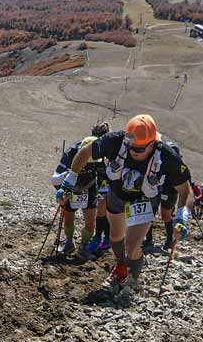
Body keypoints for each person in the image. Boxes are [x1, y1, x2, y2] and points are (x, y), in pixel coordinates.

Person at [59, 114, 191, 302]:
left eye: (141, 148)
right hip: (118, 194)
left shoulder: (167, 156)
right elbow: (85, 151)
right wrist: (69, 181)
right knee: (115, 238)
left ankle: (133, 275)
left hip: (144, 199)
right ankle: (121, 266)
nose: (135, 151)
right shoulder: (115, 141)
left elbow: (185, 191)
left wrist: (181, 216)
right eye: (131, 146)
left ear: (153, 143)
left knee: (132, 244)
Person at [50, 123, 110, 259]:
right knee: (88, 221)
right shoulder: (74, 150)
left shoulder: (105, 153)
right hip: (74, 185)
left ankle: (76, 244)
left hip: (88, 186)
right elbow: (55, 177)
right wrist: (64, 183)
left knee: (75, 218)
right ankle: (76, 245)